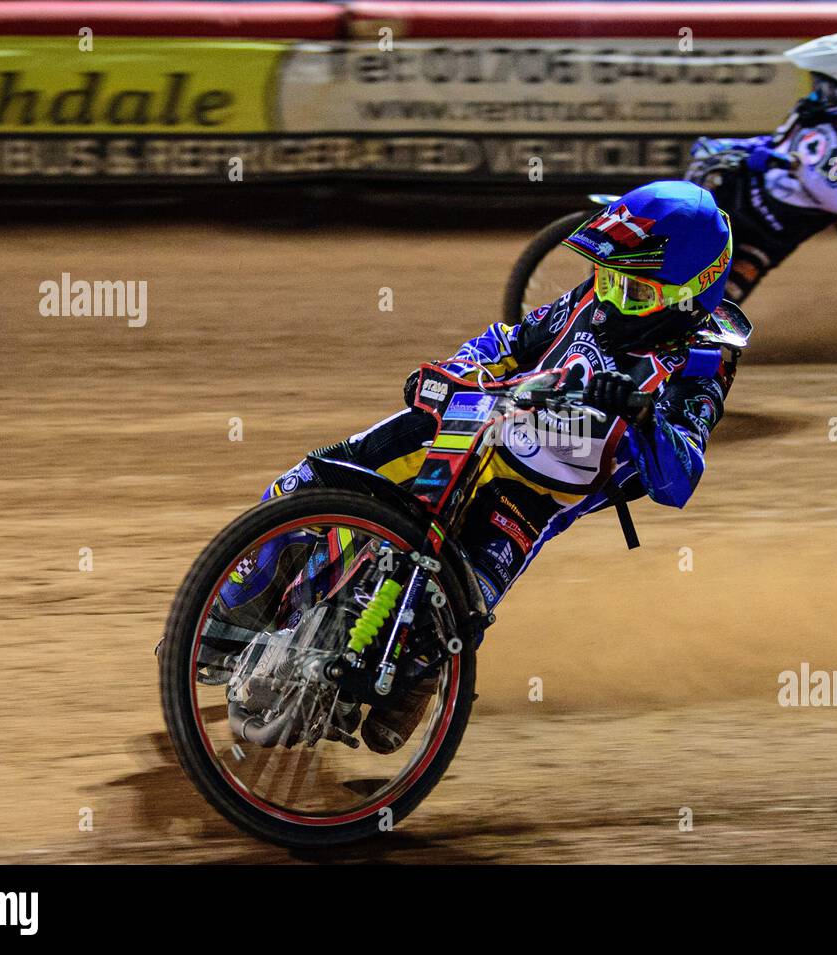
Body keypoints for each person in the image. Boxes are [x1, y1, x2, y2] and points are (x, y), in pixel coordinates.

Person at [234, 180, 748, 753]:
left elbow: (680, 480)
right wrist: (453, 371)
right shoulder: (595, 296)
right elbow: (512, 341)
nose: (608, 296)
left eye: (631, 289)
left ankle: (402, 679)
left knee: (444, 627)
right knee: (308, 483)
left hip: (535, 497)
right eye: (606, 278)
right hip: (474, 424)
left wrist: (644, 416)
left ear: (687, 294)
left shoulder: (705, 360)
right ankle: (226, 612)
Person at [686, 30, 837, 302]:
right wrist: (730, 145)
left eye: (833, 89)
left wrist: (796, 167)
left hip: (766, 238)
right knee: (662, 249)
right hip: (732, 201)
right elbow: (776, 143)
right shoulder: (811, 112)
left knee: (715, 304)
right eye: (821, 85)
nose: (823, 95)